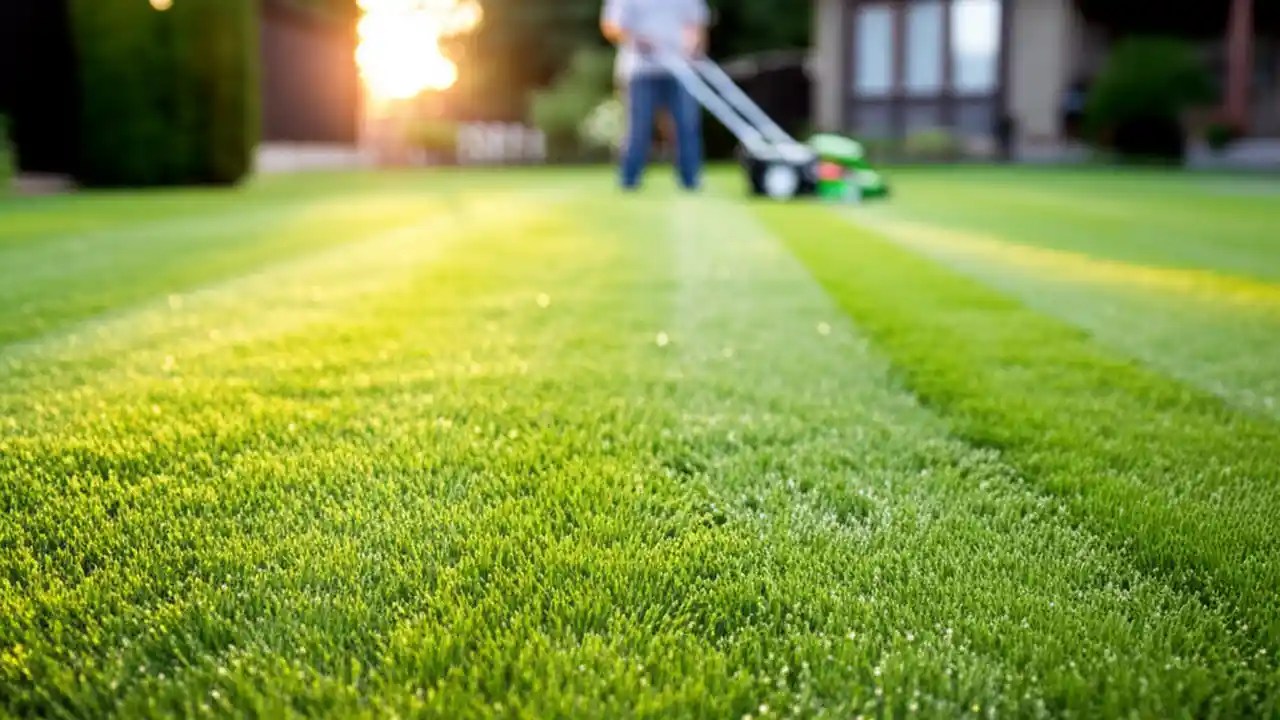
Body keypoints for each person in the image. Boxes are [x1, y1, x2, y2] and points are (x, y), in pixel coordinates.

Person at [601, 0, 709, 191]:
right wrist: (637, 40)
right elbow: (611, 26)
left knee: (686, 124)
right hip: (640, 70)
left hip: (680, 68)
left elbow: (696, 23)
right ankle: (629, 179)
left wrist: (692, 46)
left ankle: (690, 178)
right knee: (639, 127)